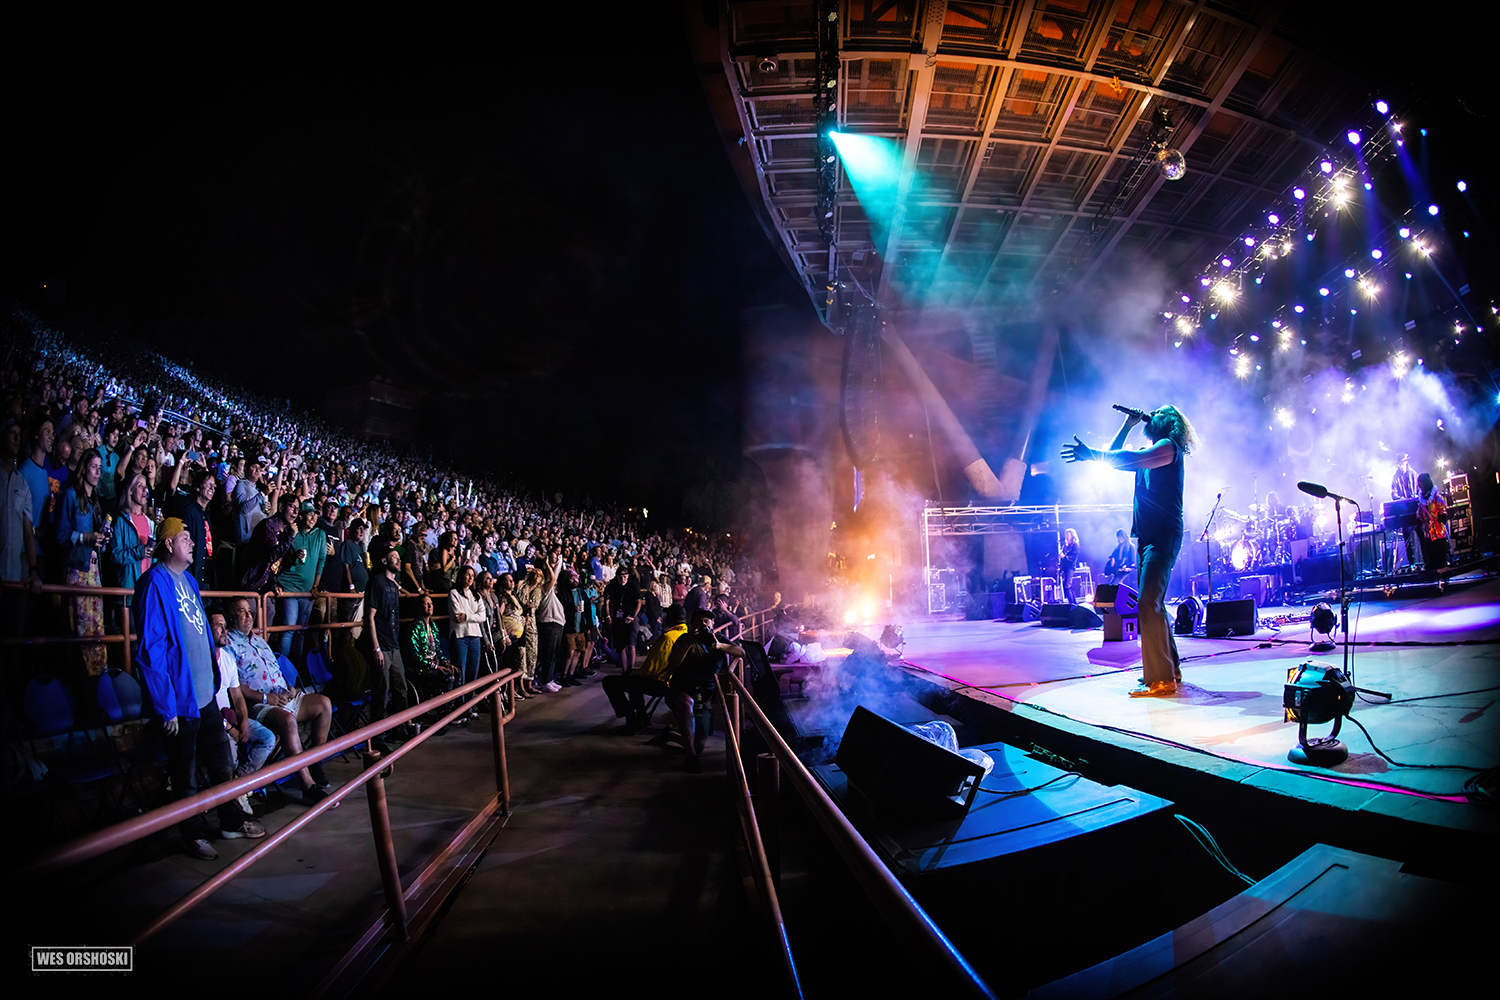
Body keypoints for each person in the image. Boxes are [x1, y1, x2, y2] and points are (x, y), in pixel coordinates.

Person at [134, 519, 264, 858]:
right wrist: (165, 706)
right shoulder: (153, 583)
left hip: (205, 694)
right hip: (179, 700)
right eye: (186, 538)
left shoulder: (189, 580)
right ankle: (191, 834)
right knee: (185, 771)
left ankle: (230, 822)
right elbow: (152, 649)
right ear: (168, 545)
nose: (193, 543)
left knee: (221, 761)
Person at [1063, 405, 1196, 697]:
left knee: (1148, 603)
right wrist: (1127, 425)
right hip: (1147, 536)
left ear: (1169, 423)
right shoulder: (1149, 451)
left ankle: (1160, 681)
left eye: (1158, 412)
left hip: (1163, 536)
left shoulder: (1168, 448)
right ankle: (1170, 671)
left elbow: (1129, 459)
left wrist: (1092, 454)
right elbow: (1115, 458)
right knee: (1154, 605)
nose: (1152, 413)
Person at [224, 595, 335, 803]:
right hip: (259, 704)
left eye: (250, 611)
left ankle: (314, 763)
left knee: (324, 704)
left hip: (283, 695)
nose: (249, 616)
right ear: (231, 616)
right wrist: (267, 697)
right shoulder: (229, 643)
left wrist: (289, 688)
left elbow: (274, 669)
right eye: (242, 611)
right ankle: (307, 785)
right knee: (287, 720)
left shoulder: (257, 638)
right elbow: (235, 686)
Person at [665, 608, 744, 772]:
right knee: (686, 703)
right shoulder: (684, 639)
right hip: (682, 689)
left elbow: (741, 652)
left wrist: (720, 646)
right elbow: (673, 663)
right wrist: (690, 639)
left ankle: (673, 736)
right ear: (691, 623)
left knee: (700, 745)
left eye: (706, 621)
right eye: (699, 621)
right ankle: (690, 758)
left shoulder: (717, 639)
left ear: (712, 624)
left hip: (705, 694)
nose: (703, 624)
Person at [55, 447, 109, 675]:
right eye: (94, 467)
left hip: (94, 571)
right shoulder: (70, 495)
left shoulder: (95, 501)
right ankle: (82, 686)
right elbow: (60, 535)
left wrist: (102, 538)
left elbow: (98, 544)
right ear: (84, 468)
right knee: (80, 631)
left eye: (100, 467)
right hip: (77, 570)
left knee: (96, 632)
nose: (98, 472)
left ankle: (97, 684)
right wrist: (85, 537)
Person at [602, 605, 687, 734]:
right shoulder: (684, 635)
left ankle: (632, 719)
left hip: (660, 683)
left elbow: (654, 670)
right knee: (632, 679)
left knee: (612, 682)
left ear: (670, 618)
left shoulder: (668, 638)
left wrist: (635, 672)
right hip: (673, 682)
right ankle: (640, 717)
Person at [360, 545, 408, 753]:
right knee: (382, 691)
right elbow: (369, 617)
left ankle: (398, 727)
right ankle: (377, 736)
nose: (398, 560)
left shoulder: (394, 584)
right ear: (383, 561)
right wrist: (376, 648)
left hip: (394, 644)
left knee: (401, 689)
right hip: (382, 646)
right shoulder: (377, 582)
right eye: (394, 557)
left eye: (398, 558)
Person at [449, 565, 485, 687]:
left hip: (475, 637)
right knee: (461, 673)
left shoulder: (477, 596)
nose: (470, 577)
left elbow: (483, 616)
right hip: (460, 637)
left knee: (473, 672)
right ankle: (460, 703)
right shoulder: (454, 593)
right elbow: (457, 615)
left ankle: (469, 703)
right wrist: (473, 616)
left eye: (472, 575)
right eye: (467, 574)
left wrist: (467, 617)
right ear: (461, 576)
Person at [1415, 472, 1450, 578]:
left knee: (1439, 547)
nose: (1420, 485)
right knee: (1428, 548)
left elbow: (1441, 505)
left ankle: (1441, 565)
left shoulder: (1435, 496)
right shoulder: (1421, 498)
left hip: (1437, 528)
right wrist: (1419, 521)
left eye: (1421, 482)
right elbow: (1419, 512)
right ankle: (1431, 564)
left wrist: (1443, 514)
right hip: (1426, 529)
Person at [1391, 454, 1421, 571]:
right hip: (1404, 511)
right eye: (1399, 463)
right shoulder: (1395, 477)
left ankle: (1427, 560)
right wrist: (1400, 499)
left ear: (1405, 462)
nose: (1400, 465)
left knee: (1421, 534)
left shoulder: (1414, 474)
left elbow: (1420, 490)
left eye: (1402, 463)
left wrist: (1415, 497)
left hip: (1415, 509)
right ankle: (1412, 563)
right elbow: (1393, 493)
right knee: (1407, 538)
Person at [1059, 528, 1080, 604]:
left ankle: (1072, 604)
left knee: (1067, 586)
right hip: (1066, 568)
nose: (1066, 537)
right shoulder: (1066, 546)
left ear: (1072, 535)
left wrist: (1064, 557)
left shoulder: (1075, 546)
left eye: (1067, 535)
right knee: (1069, 587)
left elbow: (1073, 558)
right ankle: (1074, 604)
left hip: (1071, 568)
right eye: (1065, 535)